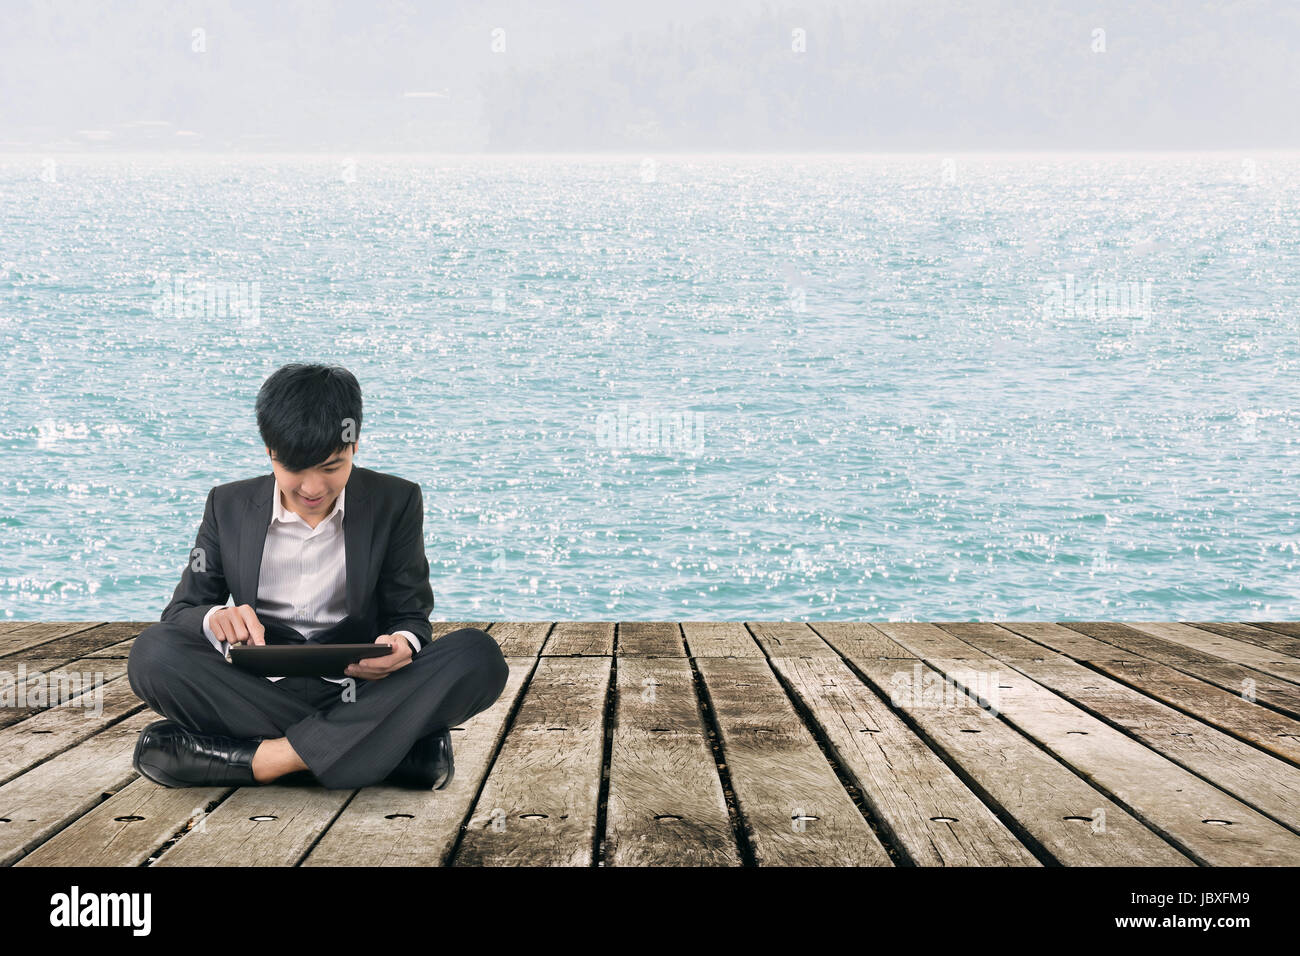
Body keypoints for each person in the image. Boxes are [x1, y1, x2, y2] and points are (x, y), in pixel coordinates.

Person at [127, 363, 508, 790]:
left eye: (331, 467)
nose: (313, 488)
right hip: (255, 690)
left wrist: (403, 642)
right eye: (296, 469)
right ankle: (390, 751)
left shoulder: (395, 501)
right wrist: (213, 617)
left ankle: (269, 759)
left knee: (478, 655)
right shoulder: (227, 505)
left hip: (361, 690)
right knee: (152, 653)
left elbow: (410, 614)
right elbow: (179, 611)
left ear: (355, 445)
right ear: (269, 450)